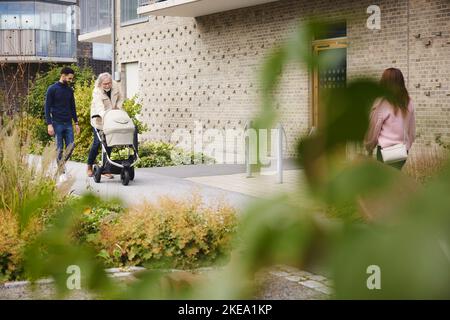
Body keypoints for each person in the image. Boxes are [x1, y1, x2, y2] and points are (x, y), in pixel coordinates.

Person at [365, 68, 416, 170]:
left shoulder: (382, 103)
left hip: (385, 151)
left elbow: (374, 128)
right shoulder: (408, 101)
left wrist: (369, 146)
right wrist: (407, 146)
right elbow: (412, 130)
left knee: (385, 182)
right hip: (402, 151)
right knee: (395, 180)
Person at [87, 72, 125, 178]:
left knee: (110, 143)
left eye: (109, 83)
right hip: (99, 120)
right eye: (105, 84)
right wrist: (107, 117)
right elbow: (99, 108)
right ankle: (89, 166)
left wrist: (117, 106)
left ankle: (106, 169)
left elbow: (121, 97)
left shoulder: (115, 85)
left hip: (113, 118)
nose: (107, 85)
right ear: (100, 84)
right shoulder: (96, 91)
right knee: (97, 143)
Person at [45, 67, 80, 173]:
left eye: (71, 79)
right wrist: (49, 124)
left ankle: (61, 164)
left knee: (71, 146)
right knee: (59, 148)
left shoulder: (70, 90)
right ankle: (61, 170)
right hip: (57, 123)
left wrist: (76, 123)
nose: (70, 81)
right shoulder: (52, 89)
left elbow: (72, 107)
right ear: (63, 75)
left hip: (68, 123)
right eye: (69, 78)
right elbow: (47, 107)